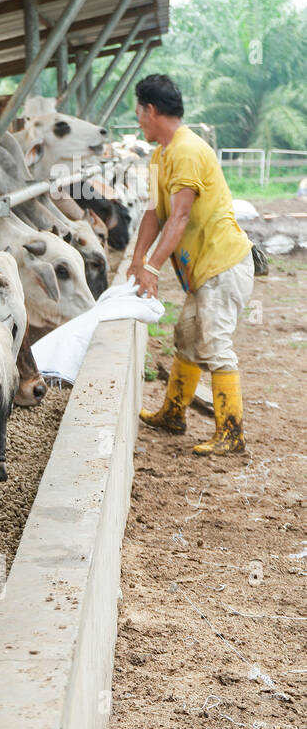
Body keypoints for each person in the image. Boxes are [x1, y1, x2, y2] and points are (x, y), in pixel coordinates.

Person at [128, 74, 253, 455]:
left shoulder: (187, 150)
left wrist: (153, 268)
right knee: (185, 337)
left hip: (223, 264)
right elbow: (154, 212)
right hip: (204, 270)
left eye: (138, 112)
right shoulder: (159, 154)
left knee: (215, 345)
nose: (137, 121)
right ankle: (173, 414)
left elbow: (179, 217)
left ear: (151, 110)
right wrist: (138, 260)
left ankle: (231, 433)